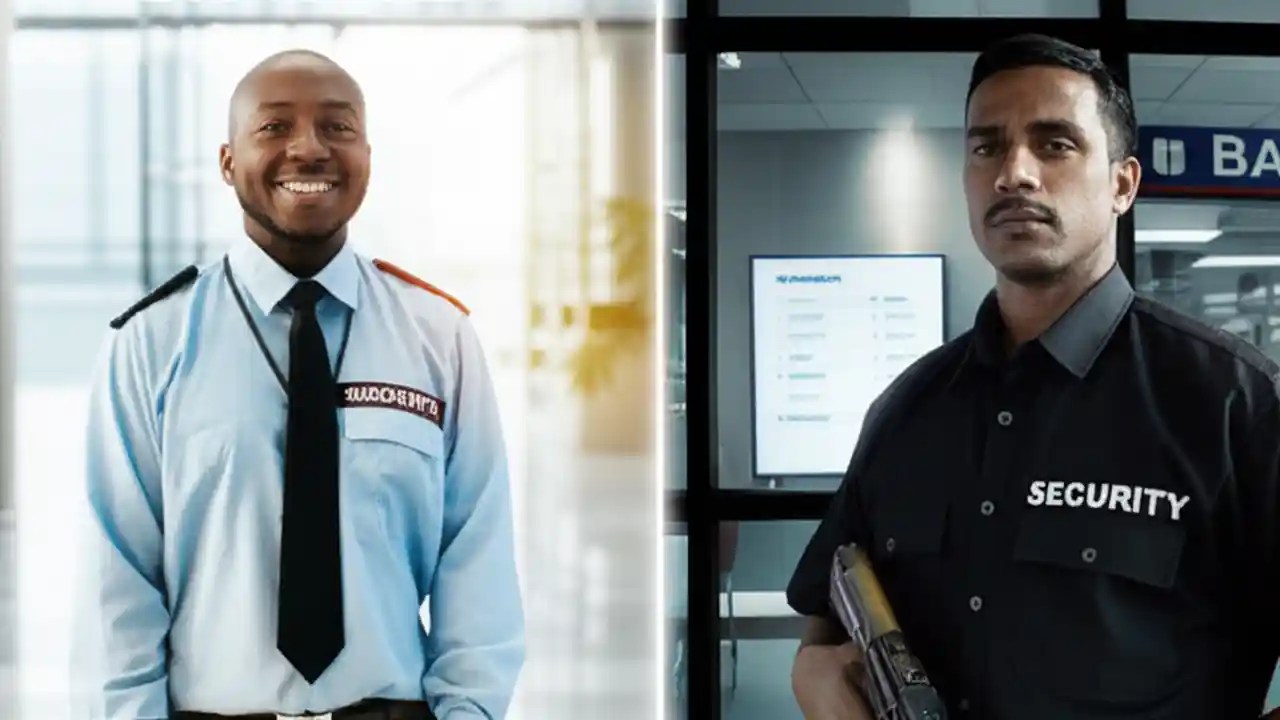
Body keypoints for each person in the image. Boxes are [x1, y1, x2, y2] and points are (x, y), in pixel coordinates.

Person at [787, 33, 1280, 720]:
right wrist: (814, 675)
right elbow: (825, 630)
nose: (1013, 172)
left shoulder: (1236, 404)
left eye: (1055, 144)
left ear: (1122, 185)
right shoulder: (907, 411)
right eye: (986, 146)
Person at [72, 49, 524, 720]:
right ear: (228, 162)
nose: (308, 150)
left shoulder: (438, 337)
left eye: (337, 128)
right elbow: (118, 582)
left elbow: (477, 562)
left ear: (367, 156)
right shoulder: (153, 342)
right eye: (274, 127)